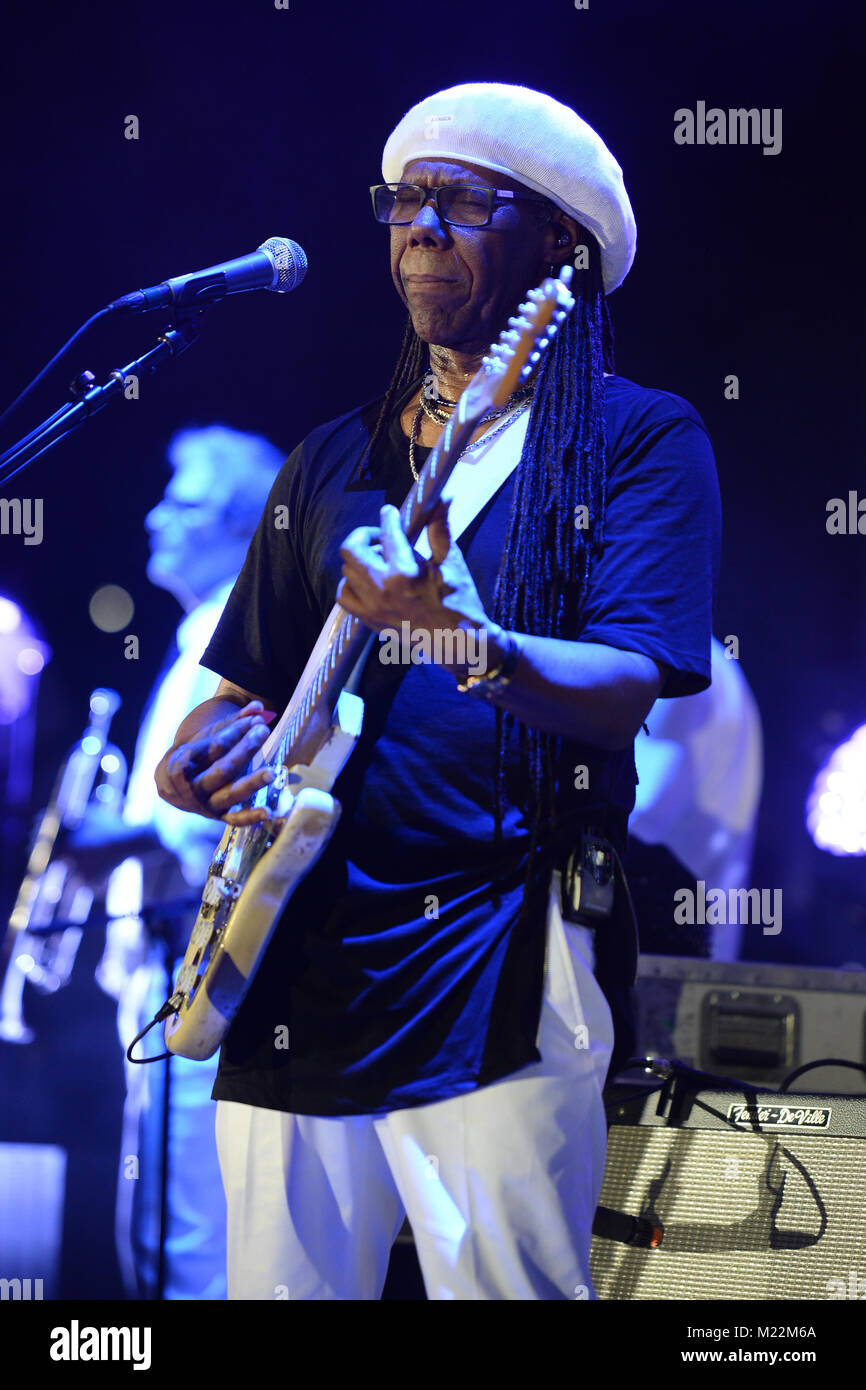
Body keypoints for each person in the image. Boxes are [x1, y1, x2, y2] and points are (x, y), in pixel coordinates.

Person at [154, 82, 721, 1300]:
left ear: (557, 247)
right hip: (294, 943)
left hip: (499, 936)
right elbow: (235, 691)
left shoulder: (634, 441)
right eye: (403, 199)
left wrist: (462, 635)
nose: (419, 224)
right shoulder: (333, 458)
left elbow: (628, 681)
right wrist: (193, 759)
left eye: (459, 201)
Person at [97, 424, 285, 1299]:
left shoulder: (235, 644)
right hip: (169, 966)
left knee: (190, 1239)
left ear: (243, 523)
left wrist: (99, 840)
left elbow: (230, 820)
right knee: (161, 1230)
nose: (155, 515)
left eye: (187, 503)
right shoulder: (193, 637)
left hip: (202, 966)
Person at [627, 635, 763, 961]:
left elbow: (642, 810)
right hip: (685, 935)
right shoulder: (704, 657)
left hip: (654, 933)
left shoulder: (676, 656)